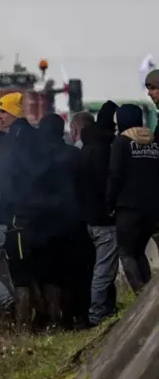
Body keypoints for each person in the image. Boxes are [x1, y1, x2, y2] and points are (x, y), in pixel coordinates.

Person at [0, 93, 44, 328]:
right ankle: (45, 318)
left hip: (19, 215)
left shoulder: (17, 139)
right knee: (37, 270)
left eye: (3, 111)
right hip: (36, 214)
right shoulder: (31, 135)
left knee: (21, 272)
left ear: (13, 111)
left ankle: (25, 324)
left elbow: (11, 174)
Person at [34, 113, 86, 328]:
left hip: (43, 223)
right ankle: (73, 316)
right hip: (73, 219)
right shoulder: (74, 154)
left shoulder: (34, 157)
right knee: (72, 270)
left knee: (49, 274)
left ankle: (54, 317)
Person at [106, 104, 159, 294]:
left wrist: (109, 202)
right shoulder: (153, 143)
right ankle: (150, 296)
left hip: (128, 208)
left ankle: (140, 297)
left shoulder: (121, 142)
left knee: (126, 253)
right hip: (152, 209)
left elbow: (114, 174)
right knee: (139, 252)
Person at [79, 101, 119, 325]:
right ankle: (97, 314)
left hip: (90, 218)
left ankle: (104, 309)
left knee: (101, 267)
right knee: (104, 270)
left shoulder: (88, 147)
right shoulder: (104, 149)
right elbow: (107, 185)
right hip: (104, 220)